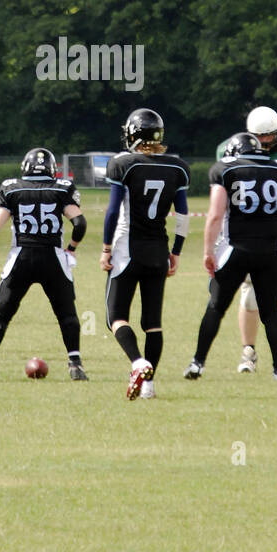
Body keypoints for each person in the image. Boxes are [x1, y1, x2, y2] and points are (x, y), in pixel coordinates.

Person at [185, 132, 277, 379]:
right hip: (269, 251)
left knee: (216, 307)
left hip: (234, 249)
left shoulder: (226, 170)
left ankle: (198, 363)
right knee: (270, 311)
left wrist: (208, 251)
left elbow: (216, 215)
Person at [0, 147, 87, 381]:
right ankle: (75, 365)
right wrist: (71, 249)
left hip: (21, 258)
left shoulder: (12, 189)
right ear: (52, 168)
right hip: (53, 258)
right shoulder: (61, 189)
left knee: (1, 314)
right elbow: (80, 223)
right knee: (66, 314)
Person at [216, 107, 277, 374]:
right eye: (258, 137)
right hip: (250, 234)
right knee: (251, 295)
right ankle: (248, 351)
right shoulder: (232, 149)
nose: (262, 143)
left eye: (268, 137)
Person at [101, 108, 190, 400]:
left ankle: (138, 363)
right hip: (158, 250)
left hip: (128, 248)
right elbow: (183, 216)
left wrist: (105, 248)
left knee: (115, 316)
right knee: (153, 321)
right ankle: (150, 386)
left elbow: (113, 211)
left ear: (133, 134)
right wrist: (175, 252)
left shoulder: (123, 164)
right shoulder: (177, 167)